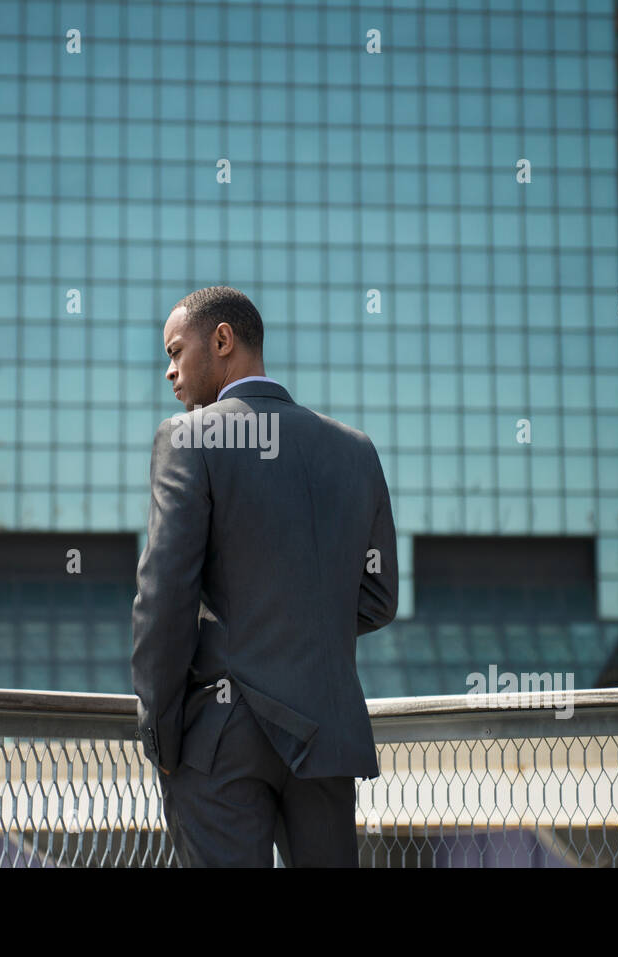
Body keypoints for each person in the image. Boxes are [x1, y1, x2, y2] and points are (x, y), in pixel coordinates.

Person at [131, 285, 398, 867]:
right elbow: (377, 598)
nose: (170, 372)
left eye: (176, 352)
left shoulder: (188, 439)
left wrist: (161, 737)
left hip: (220, 738)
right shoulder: (355, 450)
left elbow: (163, 600)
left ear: (222, 340)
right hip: (326, 737)